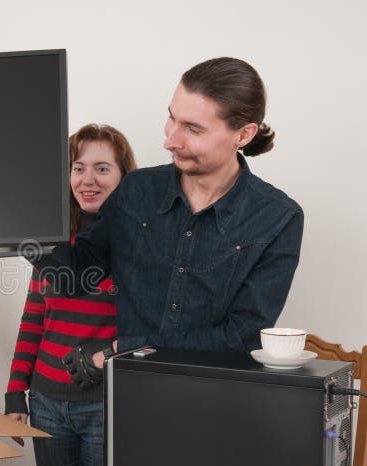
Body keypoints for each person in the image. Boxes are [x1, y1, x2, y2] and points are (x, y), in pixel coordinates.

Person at [48, 58, 303, 380]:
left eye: (193, 129)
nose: (170, 140)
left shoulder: (278, 217)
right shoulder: (136, 189)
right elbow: (74, 276)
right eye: (172, 118)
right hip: (132, 393)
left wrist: (123, 349)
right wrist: (27, 222)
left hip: (215, 398)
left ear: (244, 134)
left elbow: (242, 336)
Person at [5, 125, 136, 466]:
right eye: (78, 168)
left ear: (124, 175)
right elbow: (33, 320)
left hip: (106, 407)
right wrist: (16, 393)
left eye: (102, 168)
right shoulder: (54, 240)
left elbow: (151, 332)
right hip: (45, 405)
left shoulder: (138, 244)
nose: (87, 180)